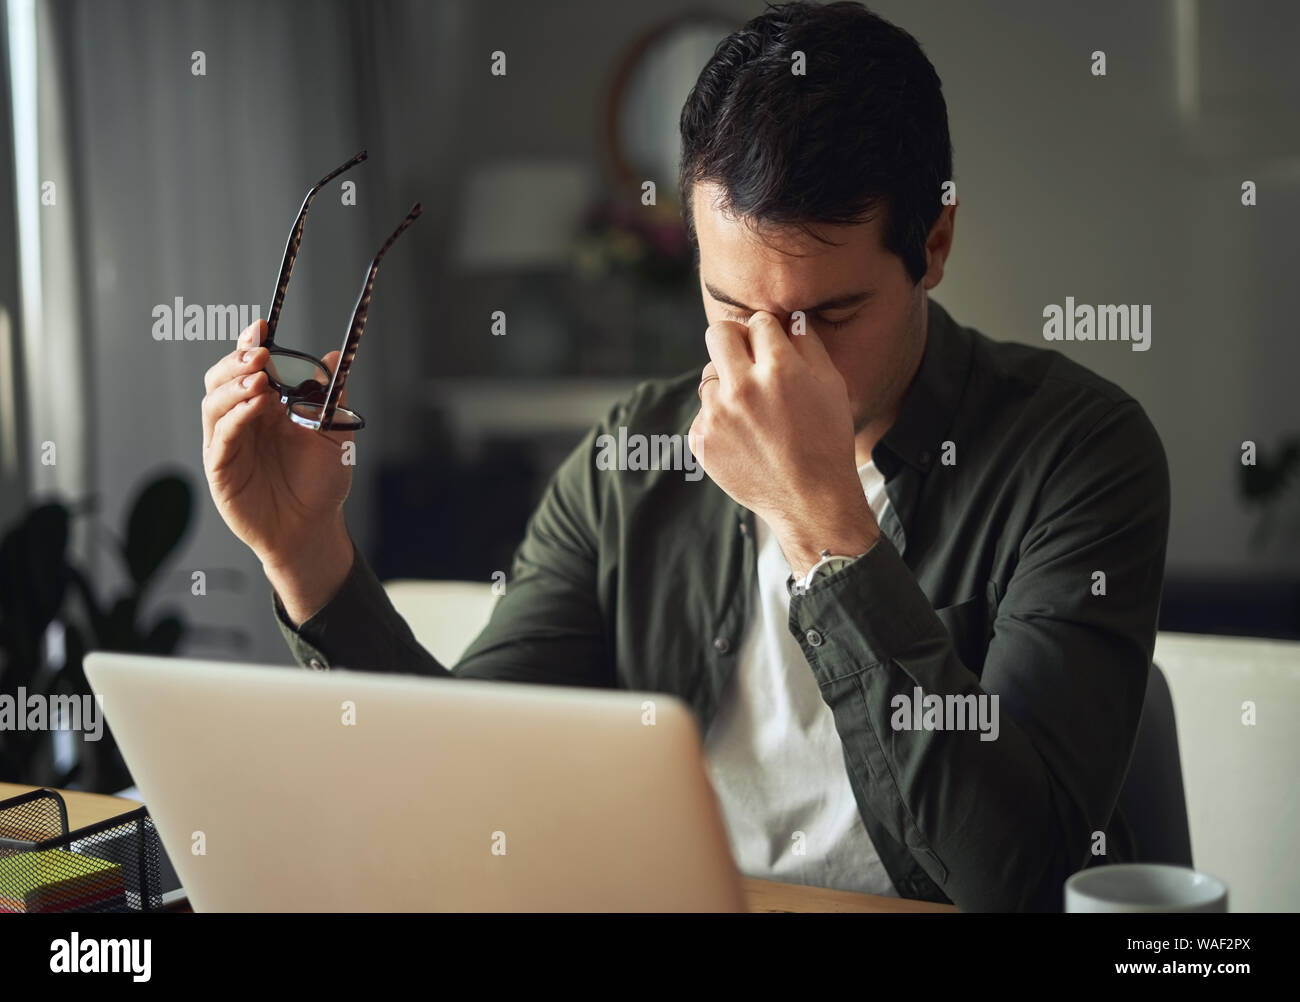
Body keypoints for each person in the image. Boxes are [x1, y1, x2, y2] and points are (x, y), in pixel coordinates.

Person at [200, 1, 1169, 912]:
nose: (771, 358)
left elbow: (1019, 875)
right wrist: (308, 556)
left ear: (936, 242)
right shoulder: (631, 461)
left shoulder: (1080, 453)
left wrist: (821, 523)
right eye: (732, 308)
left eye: (827, 315)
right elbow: (469, 787)